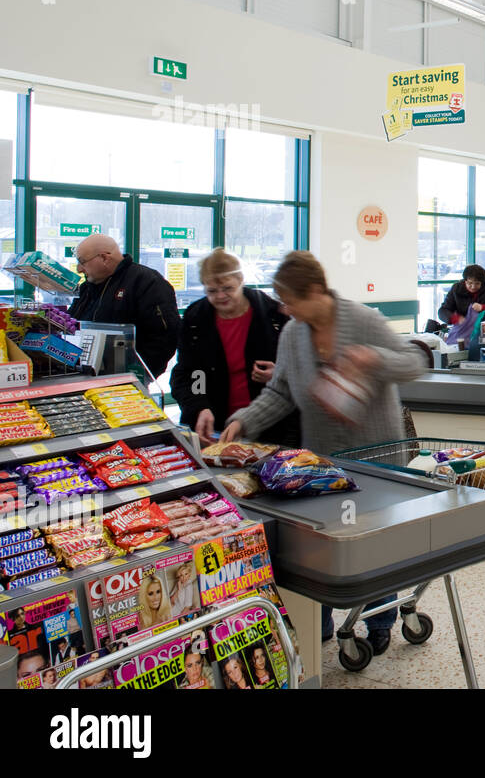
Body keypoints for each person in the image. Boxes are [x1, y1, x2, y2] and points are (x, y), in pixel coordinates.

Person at [219, 251, 428, 656]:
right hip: (322, 463)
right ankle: (322, 624)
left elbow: (413, 362)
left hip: (376, 459)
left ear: (315, 290)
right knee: (324, 545)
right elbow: (280, 392)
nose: (284, 308)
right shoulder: (293, 334)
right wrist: (243, 421)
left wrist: (373, 358)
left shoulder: (364, 321)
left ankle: (380, 619)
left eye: (290, 300)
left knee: (374, 545)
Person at [170, 249, 298, 447]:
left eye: (228, 288)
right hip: (216, 429)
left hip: (268, 426)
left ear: (241, 280)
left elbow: (298, 371)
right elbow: (187, 374)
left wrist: (278, 373)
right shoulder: (195, 318)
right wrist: (198, 408)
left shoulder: (275, 315)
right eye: (212, 291)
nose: (220, 296)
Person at [68, 233, 180, 377]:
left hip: (128, 381)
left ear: (104, 258)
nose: (79, 269)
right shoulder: (87, 288)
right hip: (84, 375)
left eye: (82, 262)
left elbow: (165, 337)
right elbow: (72, 324)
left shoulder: (147, 282)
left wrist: (139, 374)